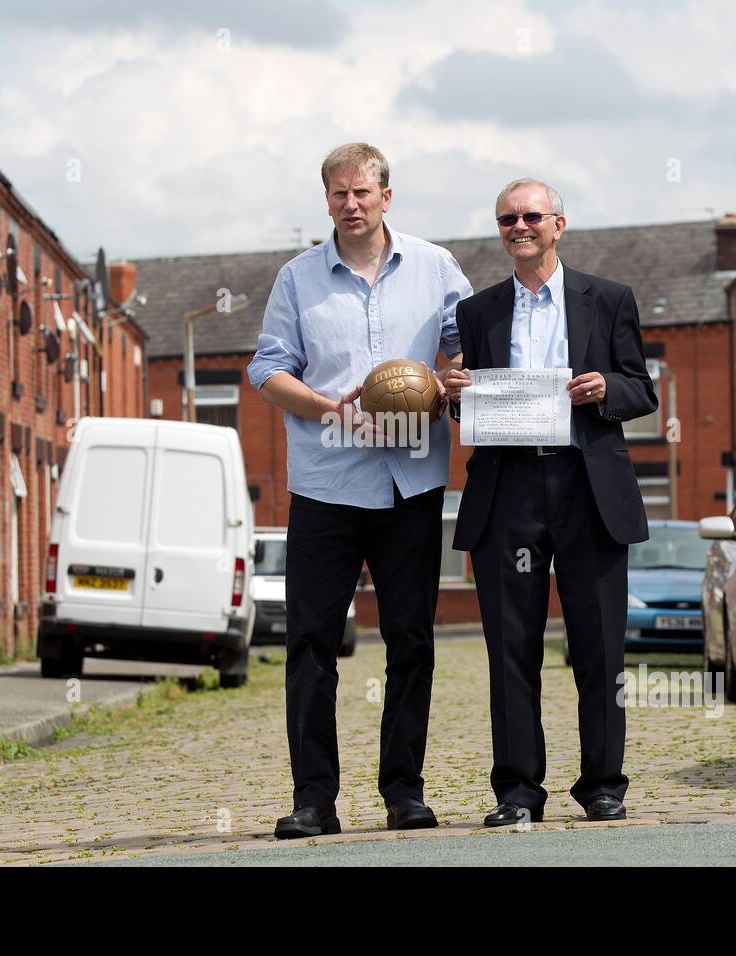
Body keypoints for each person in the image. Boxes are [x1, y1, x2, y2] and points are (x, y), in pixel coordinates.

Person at [248, 143, 472, 839]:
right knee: (312, 644)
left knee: (411, 641)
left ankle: (404, 791)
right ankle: (314, 799)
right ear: (327, 201)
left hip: (411, 482)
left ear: (386, 195)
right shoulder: (297, 279)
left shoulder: (436, 268)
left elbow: (468, 349)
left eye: (363, 192)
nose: (351, 204)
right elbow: (267, 369)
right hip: (326, 486)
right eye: (338, 194)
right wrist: (327, 408)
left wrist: (446, 381)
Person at [444, 178, 657, 826]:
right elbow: (469, 400)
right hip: (508, 489)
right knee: (511, 647)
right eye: (508, 218)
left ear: (558, 224)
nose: (519, 226)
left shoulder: (609, 298)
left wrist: (605, 388)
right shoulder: (478, 313)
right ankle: (516, 792)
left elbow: (641, 389)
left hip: (587, 486)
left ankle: (602, 786)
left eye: (532, 215)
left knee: (599, 647)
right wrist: (456, 391)